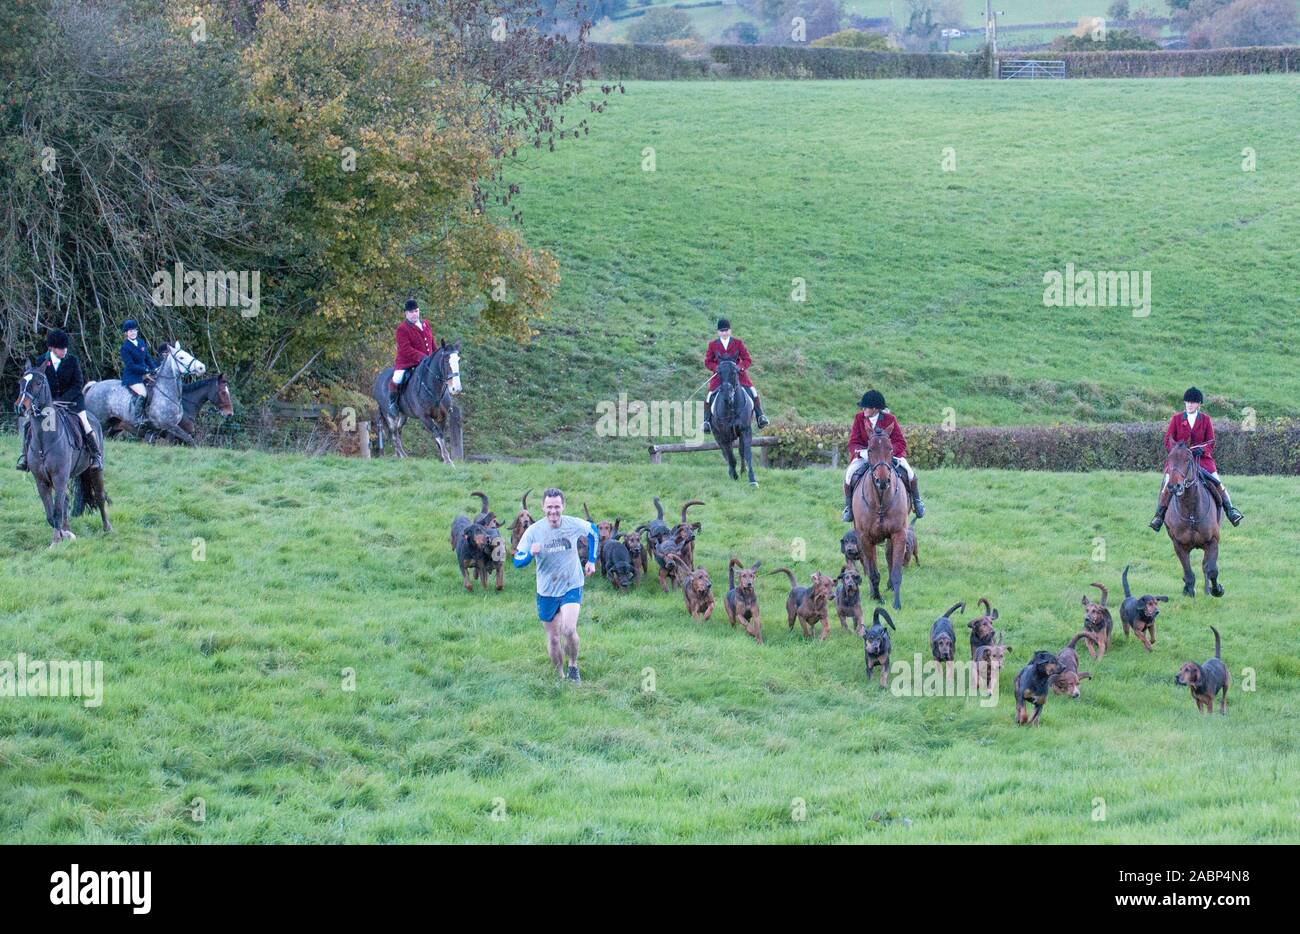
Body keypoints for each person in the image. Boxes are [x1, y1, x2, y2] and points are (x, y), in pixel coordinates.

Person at [513, 488, 598, 683]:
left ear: (563, 506)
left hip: (571, 583)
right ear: (543, 507)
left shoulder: (573, 524)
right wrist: (529, 554)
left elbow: (593, 532)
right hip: (546, 590)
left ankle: (573, 666)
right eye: (549, 507)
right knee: (553, 638)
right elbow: (517, 561)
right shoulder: (534, 532)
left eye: (557, 507)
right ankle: (560, 675)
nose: (553, 511)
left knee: (568, 629)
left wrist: (591, 560)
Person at [1150, 387, 1243, 530]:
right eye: (1187, 402)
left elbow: (1211, 441)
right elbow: (1168, 440)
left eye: (1192, 403)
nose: (1189, 405)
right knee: (1167, 485)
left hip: (1202, 459)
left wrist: (1203, 449)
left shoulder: (1205, 420)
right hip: (1180, 461)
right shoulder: (1176, 419)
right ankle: (1159, 516)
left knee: (1217, 482)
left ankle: (1230, 510)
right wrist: (1178, 451)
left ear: (1199, 404)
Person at [16, 329, 102, 471]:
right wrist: (49, 401)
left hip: (72, 402)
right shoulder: (41, 361)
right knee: (28, 425)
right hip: (49, 404)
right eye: (61, 348)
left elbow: (77, 384)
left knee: (86, 424)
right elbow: (39, 386)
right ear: (52, 348)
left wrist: (61, 399)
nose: (64, 351)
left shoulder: (72, 360)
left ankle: (96, 456)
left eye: (65, 347)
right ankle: (25, 457)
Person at [842, 389, 924, 522]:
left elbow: (900, 442)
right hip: (865, 456)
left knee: (909, 472)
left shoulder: (890, 419)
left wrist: (888, 454)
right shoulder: (859, 418)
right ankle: (849, 508)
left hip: (888, 456)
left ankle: (917, 501)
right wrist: (862, 452)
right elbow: (853, 442)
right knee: (849, 475)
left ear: (874, 408)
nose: (863, 409)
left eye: (866, 406)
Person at [701, 318, 768, 433]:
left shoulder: (738, 343)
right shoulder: (713, 345)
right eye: (722, 331)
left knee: (753, 391)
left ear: (730, 331)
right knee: (709, 396)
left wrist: (739, 367)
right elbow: (708, 361)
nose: (724, 333)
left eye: (726, 330)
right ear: (718, 332)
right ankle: (706, 421)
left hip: (738, 376)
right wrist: (717, 368)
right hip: (720, 377)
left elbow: (747, 359)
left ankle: (760, 416)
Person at [387, 298, 437, 416]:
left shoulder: (426, 324)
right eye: (411, 312)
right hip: (407, 362)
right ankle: (392, 403)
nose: (414, 314)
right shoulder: (402, 329)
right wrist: (422, 357)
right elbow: (406, 349)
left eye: (416, 311)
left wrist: (435, 355)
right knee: (397, 378)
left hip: (427, 361)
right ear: (406, 313)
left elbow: (431, 342)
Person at [119, 318, 158, 425]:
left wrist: (154, 368)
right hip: (132, 376)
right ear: (126, 333)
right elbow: (130, 365)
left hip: (145, 373)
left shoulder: (141, 342)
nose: (133, 333)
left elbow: (148, 358)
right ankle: (137, 419)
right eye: (130, 331)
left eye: (134, 330)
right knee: (143, 393)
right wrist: (145, 370)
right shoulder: (125, 347)